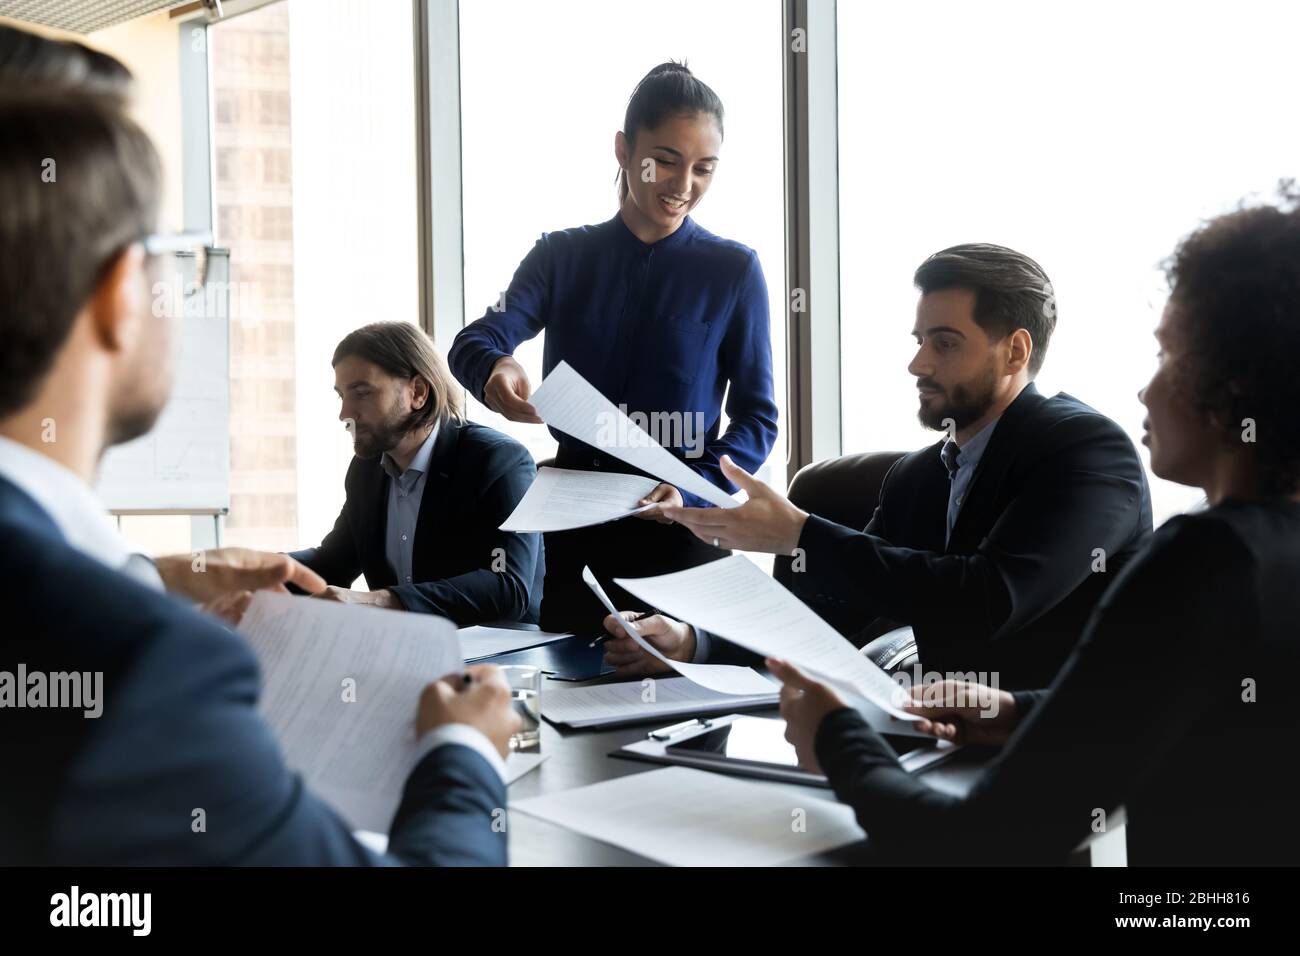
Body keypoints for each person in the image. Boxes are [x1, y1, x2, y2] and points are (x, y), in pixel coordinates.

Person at [0, 31, 517, 866]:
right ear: (118, 298)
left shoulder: (494, 461)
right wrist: (463, 754)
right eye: (172, 260)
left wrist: (161, 575)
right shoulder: (149, 668)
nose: (344, 409)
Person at [772, 187, 1300, 865]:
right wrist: (1018, 712)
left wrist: (837, 736)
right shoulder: (1269, 548)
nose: (1144, 389)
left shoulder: (1208, 555)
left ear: (1233, 384)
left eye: (1168, 356)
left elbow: (978, 840)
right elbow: (1173, 702)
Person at [602, 244, 1152, 689]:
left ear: (1014, 352)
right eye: (919, 341)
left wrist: (800, 533)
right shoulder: (919, 478)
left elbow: (989, 598)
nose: (918, 363)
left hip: (1054, 760)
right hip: (934, 736)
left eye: (945, 343)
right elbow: (833, 610)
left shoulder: (1086, 450)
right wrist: (695, 641)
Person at [448, 61, 778, 636]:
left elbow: (759, 419)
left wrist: (698, 485)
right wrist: (496, 365)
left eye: (704, 169)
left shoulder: (733, 271)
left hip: (682, 530)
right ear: (624, 150)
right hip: (571, 534)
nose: (683, 186)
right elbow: (476, 339)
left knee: (689, 711)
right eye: (667, 160)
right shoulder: (561, 257)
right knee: (568, 698)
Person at [287, 322, 544, 627]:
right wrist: (264, 568)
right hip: (412, 652)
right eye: (341, 395)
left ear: (418, 392)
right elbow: (335, 561)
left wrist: (379, 601)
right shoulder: (367, 470)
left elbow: (507, 587)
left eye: (361, 393)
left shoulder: (497, 460)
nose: (344, 413)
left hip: (505, 656)